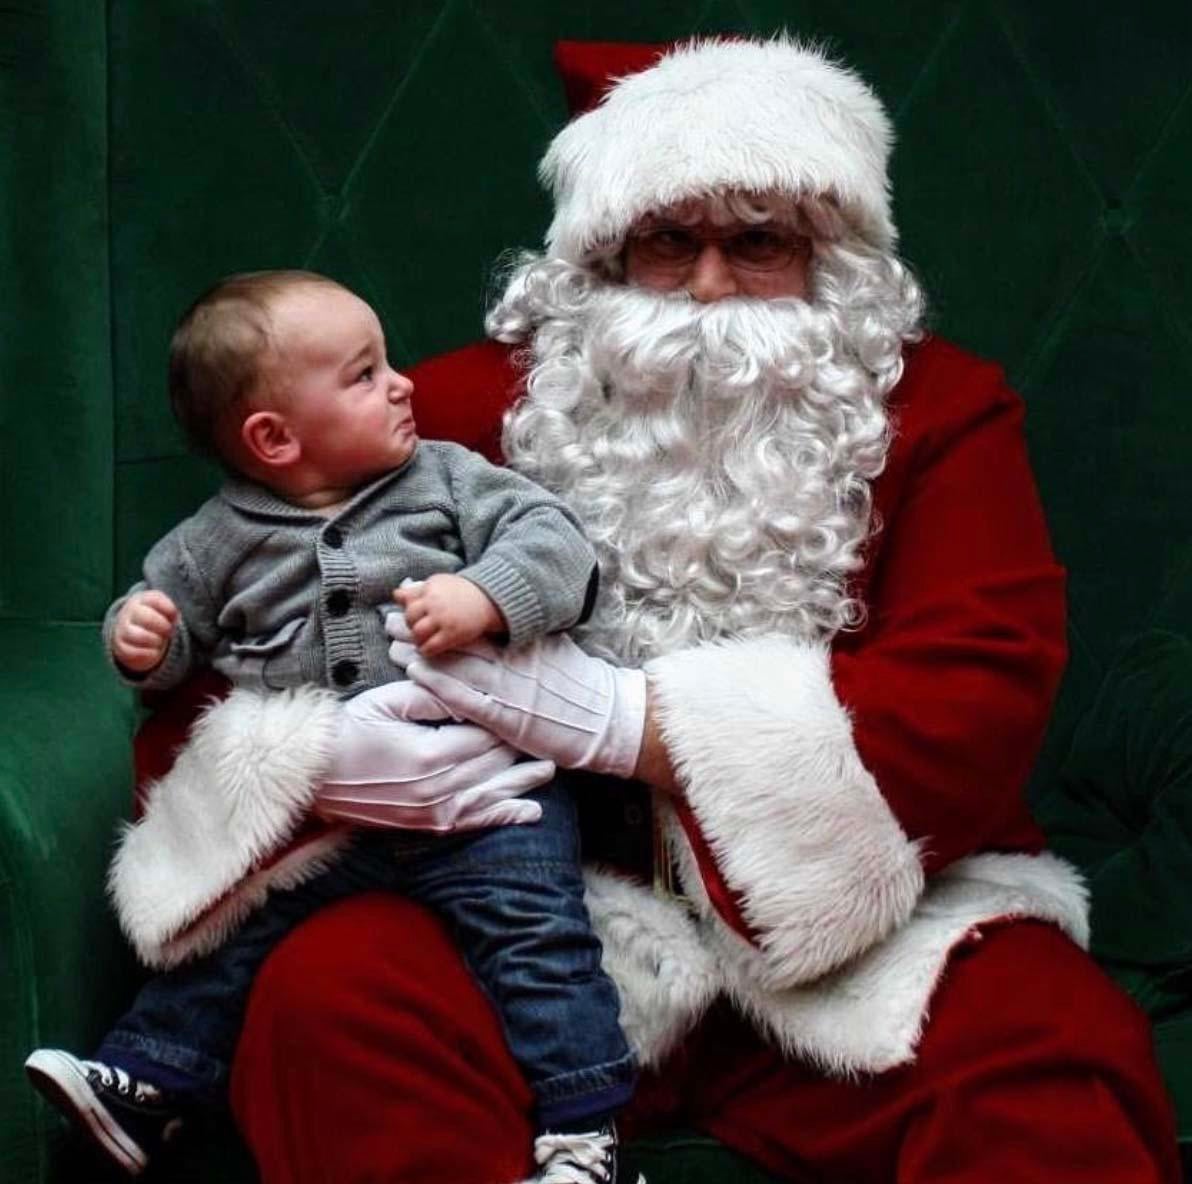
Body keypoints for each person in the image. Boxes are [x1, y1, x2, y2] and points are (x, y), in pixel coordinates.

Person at [118, 36, 1180, 1184]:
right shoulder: (451, 414)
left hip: (878, 929)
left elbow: (979, 688)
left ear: (830, 254)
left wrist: (634, 724)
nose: (710, 285)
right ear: (601, 257)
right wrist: (318, 762)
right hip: (525, 912)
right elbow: (228, 636)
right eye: (670, 242)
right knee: (332, 1002)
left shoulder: (942, 411)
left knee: (1051, 1055)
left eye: (758, 240)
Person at [24, 269, 644, 1182]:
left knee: (537, 943)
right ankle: (148, 1085)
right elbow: (171, 635)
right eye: (364, 374)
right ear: (273, 439)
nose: (403, 384)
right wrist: (141, 638)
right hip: (334, 819)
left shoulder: (447, 478)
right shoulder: (213, 540)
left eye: (387, 363)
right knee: (236, 928)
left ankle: (587, 1135)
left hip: (486, 793)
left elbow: (555, 544)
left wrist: (483, 595)